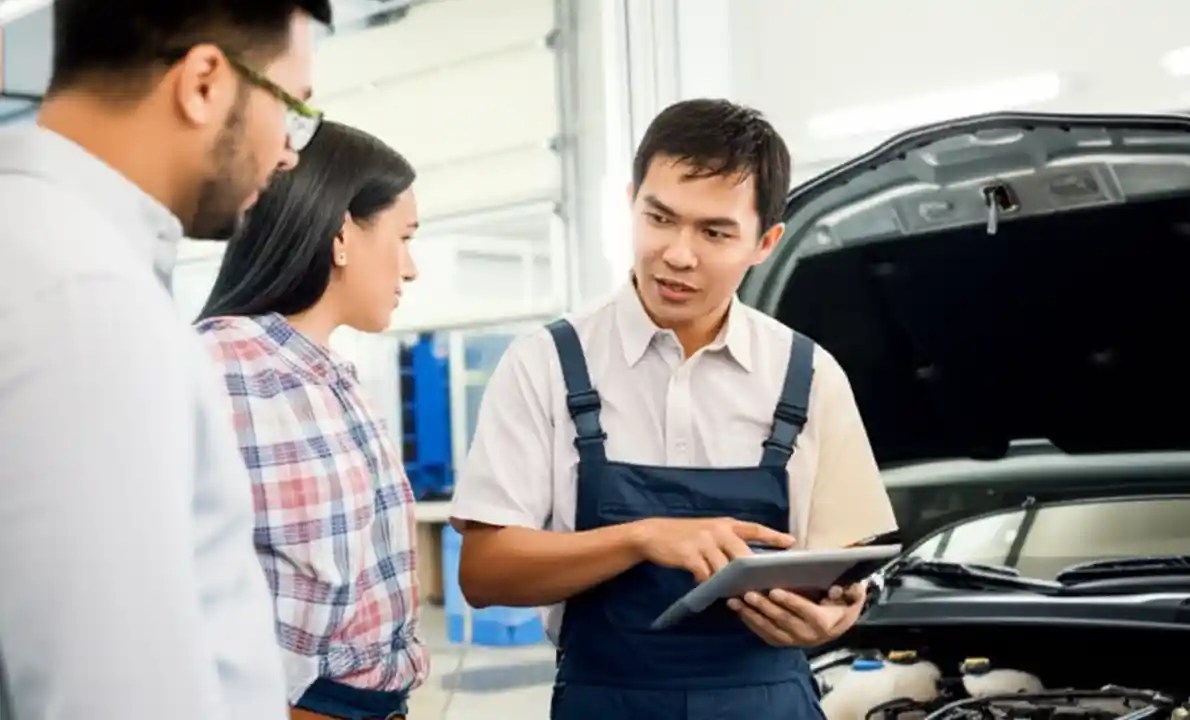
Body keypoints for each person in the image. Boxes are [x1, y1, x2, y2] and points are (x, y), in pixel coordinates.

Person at [449, 98, 899, 719]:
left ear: (766, 241)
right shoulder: (545, 365)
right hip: (606, 701)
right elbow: (485, 573)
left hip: (769, 702)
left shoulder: (809, 375)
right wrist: (642, 538)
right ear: (631, 201)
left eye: (714, 233)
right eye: (659, 218)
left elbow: (850, 566)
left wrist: (831, 618)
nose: (678, 254)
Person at [0, 1, 330, 718]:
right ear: (205, 80)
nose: (289, 151)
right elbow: (110, 696)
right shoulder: (85, 298)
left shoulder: (44, 251)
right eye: (292, 107)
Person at [195, 120, 426, 720]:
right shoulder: (219, 367)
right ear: (343, 232)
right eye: (403, 237)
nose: (410, 268)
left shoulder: (333, 377)